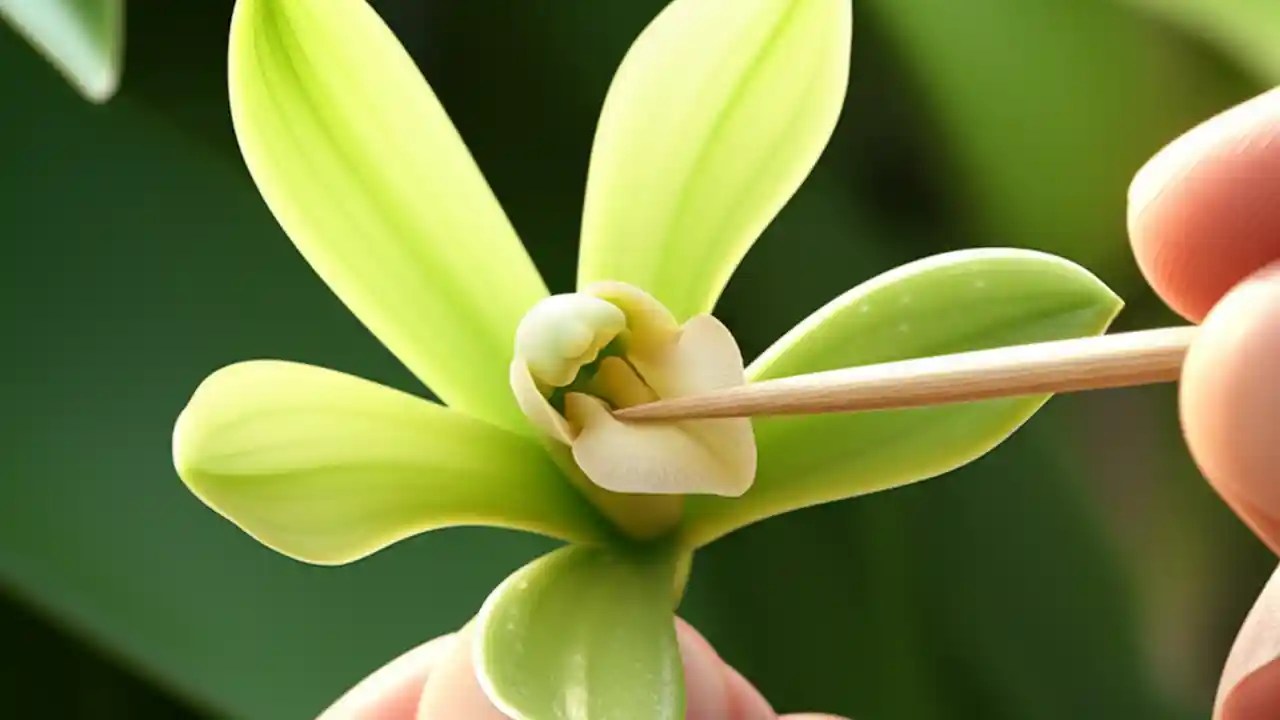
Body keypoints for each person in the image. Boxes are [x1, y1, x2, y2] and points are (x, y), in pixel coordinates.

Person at [319, 86, 1280, 720]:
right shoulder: (567, 661)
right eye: (584, 394)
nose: (614, 381)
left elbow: (1046, 316)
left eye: (621, 356)